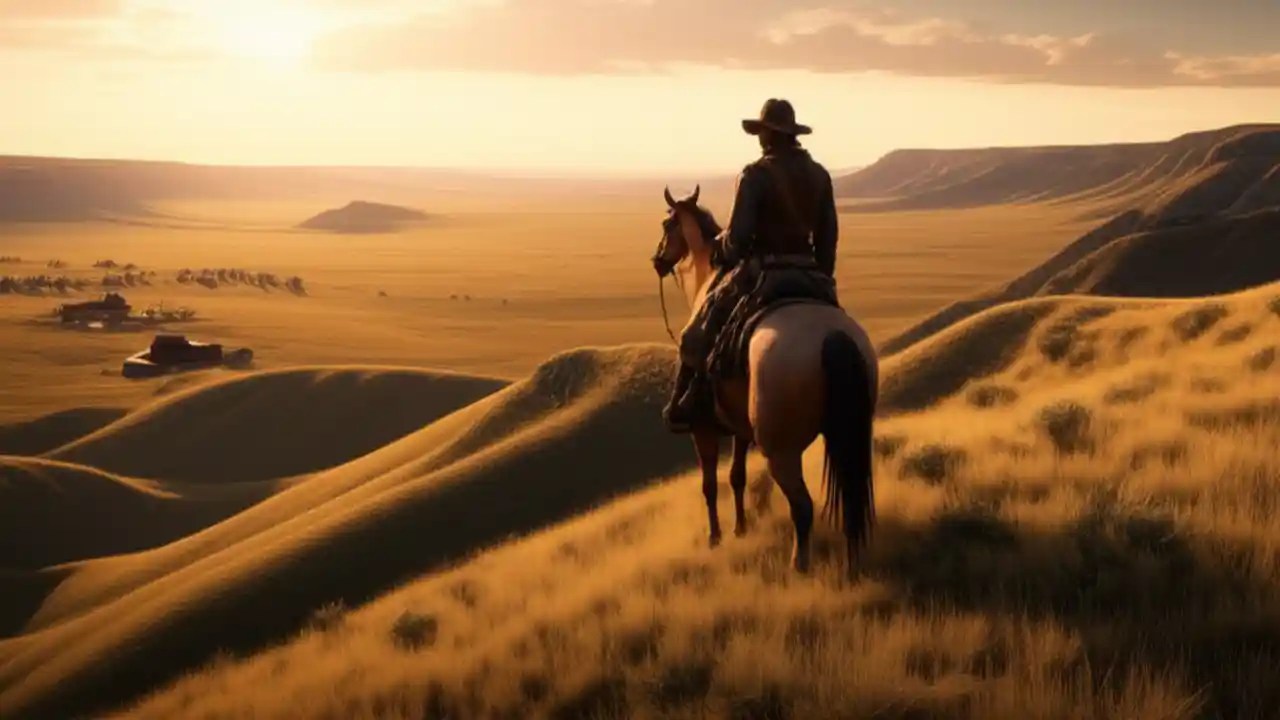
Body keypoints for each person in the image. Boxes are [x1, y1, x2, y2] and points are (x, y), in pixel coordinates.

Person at [663, 98, 841, 433]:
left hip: (764, 274)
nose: (759, 139)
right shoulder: (819, 175)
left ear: (768, 136)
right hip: (811, 275)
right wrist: (821, 274)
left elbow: (740, 238)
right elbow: (828, 235)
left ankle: (687, 401)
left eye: (761, 133)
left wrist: (721, 252)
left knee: (697, 331)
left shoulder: (755, 175)